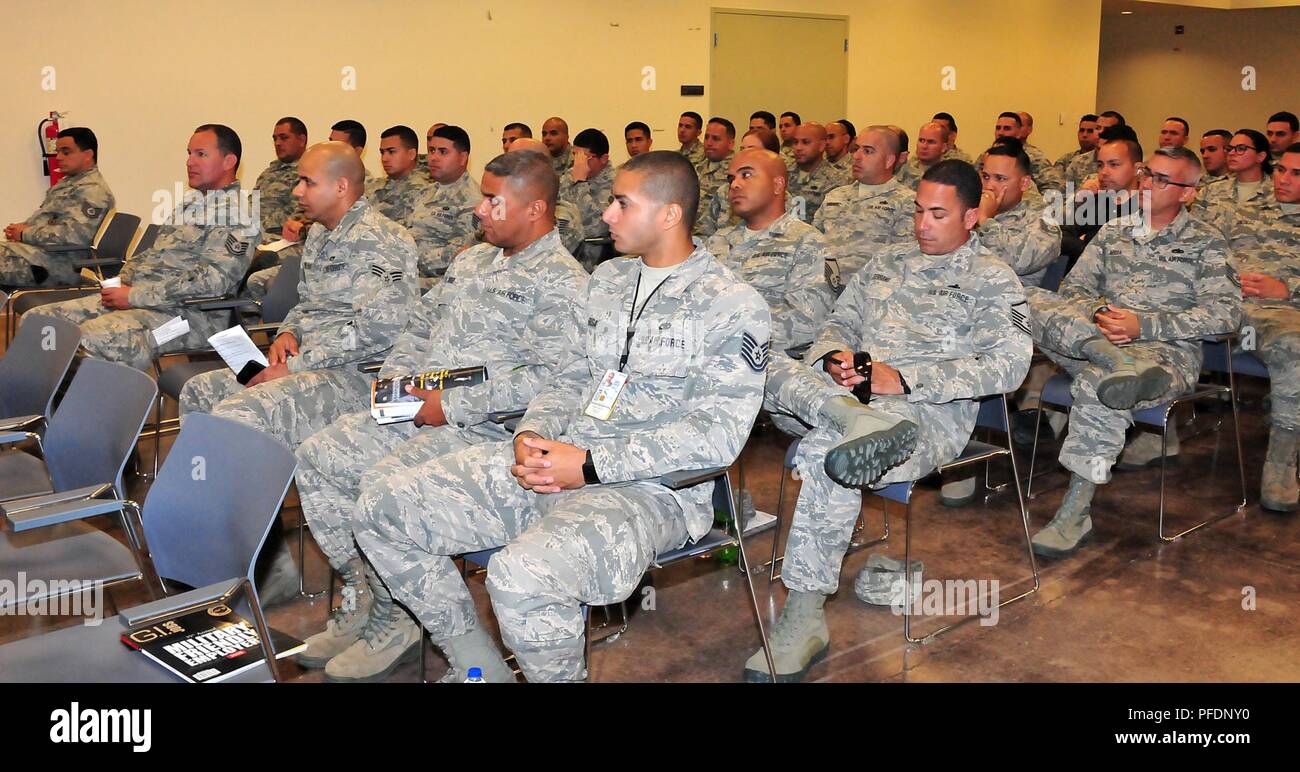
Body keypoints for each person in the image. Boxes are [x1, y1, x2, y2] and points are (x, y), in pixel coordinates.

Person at [352, 151, 770, 682]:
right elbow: (571, 375)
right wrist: (533, 432)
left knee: (521, 574)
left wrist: (590, 464)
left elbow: (716, 437)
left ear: (669, 214)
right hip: (560, 459)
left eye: (622, 203)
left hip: (650, 490)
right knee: (382, 509)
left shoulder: (731, 304)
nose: (607, 215)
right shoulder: (610, 280)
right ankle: (479, 666)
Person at [292, 149, 589, 681]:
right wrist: (396, 383)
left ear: (535, 208)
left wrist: (448, 405)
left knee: (379, 492)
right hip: (420, 406)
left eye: (494, 201)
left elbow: (552, 378)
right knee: (318, 457)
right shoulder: (472, 261)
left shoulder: (564, 282)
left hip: (484, 429)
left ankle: (423, 626)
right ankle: (373, 597)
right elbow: (421, 325)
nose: (479, 209)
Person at [745, 159, 1032, 682]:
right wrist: (832, 359)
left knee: (827, 457)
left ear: (971, 217)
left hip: (924, 415)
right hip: (851, 397)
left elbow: (1009, 366)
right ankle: (844, 417)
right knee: (761, 364)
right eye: (918, 211)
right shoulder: (887, 261)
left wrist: (904, 380)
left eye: (938, 214)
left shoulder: (992, 278)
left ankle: (805, 614)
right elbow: (838, 321)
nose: (922, 224)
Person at [1025, 147, 1240, 558]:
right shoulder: (1115, 230)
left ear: (1188, 193)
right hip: (1097, 340)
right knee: (1028, 298)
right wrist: (1100, 314)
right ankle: (1113, 360)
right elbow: (1073, 290)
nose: (1147, 184)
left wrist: (1144, 326)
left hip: (1165, 356)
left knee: (1103, 387)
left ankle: (1076, 509)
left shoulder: (1206, 242)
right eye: (1146, 174)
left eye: (1161, 179)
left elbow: (1225, 316)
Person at [33, 124, 258, 371]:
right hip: (145, 301)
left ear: (228, 161)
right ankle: (42, 390)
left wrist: (134, 296)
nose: (189, 161)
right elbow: (156, 254)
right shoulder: (192, 204)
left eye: (200, 154)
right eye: (189, 153)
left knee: (92, 338)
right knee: (42, 322)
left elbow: (213, 283)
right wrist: (123, 281)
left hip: (190, 319)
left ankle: (87, 394)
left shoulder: (239, 216)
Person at [1222, 143, 1300, 510]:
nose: (1283, 179)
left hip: (1281, 315)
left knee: (1293, 349)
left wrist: (1288, 289)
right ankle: (1155, 433)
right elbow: (1209, 253)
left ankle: (1281, 466)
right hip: (1227, 307)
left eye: (1296, 174)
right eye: (1281, 170)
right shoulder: (1246, 211)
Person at [1, 127, 114, 287]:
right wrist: (21, 228)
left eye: (66, 152)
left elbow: (74, 237)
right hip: (39, 256)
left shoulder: (93, 191)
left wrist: (25, 233)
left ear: (88, 154)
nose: (58, 157)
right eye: (58, 152)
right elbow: (49, 220)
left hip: (58, 266)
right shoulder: (68, 183)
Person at [812, 125, 914, 286]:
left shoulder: (906, 202)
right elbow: (813, 244)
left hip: (870, 290)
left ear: (889, 160)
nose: (856, 156)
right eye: (856, 149)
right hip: (823, 287)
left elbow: (901, 260)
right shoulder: (836, 195)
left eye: (868, 151)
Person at [406, 125, 481, 282]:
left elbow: (459, 254)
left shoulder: (472, 200)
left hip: (439, 282)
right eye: (431, 150)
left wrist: (408, 258)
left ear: (463, 158)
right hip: (409, 272)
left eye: (443, 152)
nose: (433, 157)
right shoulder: (425, 192)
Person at [559, 128, 616, 268]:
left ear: (603, 159)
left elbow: (596, 228)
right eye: (575, 155)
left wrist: (580, 183)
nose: (578, 163)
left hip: (592, 261)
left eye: (585, 158)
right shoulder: (568, 176)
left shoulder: (615, 183)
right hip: (562, 255)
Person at [254, 117, 308, 240]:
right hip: (253, 234)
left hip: (278, 238)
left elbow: (295, 215)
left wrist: (254, 227)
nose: (277, 143)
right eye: (275, 139)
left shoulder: (309, 173)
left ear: (301, 140)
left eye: (284, 138)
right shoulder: (269, 172)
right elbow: (252, 204)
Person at [787, 123, 850, 223]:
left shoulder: (837, 181)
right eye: (795, 142)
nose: (798, 148)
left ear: (821, 146)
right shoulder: (782, 175)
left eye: (806, 142)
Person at [372, 125, 429, 224]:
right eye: (382, 152)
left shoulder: (423, 191)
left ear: (411, 154)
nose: (384, 158)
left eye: (391, 152)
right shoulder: (377, 186)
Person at [692, 117, 736, 237]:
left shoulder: (736, 172)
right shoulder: (697, 168)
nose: (709, 143)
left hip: (721, 239)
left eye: (716, 139)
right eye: (706, 137)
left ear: (731, 144)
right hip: (693, 238)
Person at [1053, 114, 1100, 183]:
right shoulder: (1066, 160)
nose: (1084, 135)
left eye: (1090, 131)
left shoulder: (1103, 160)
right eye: (1082, 130)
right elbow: (1059, 185)